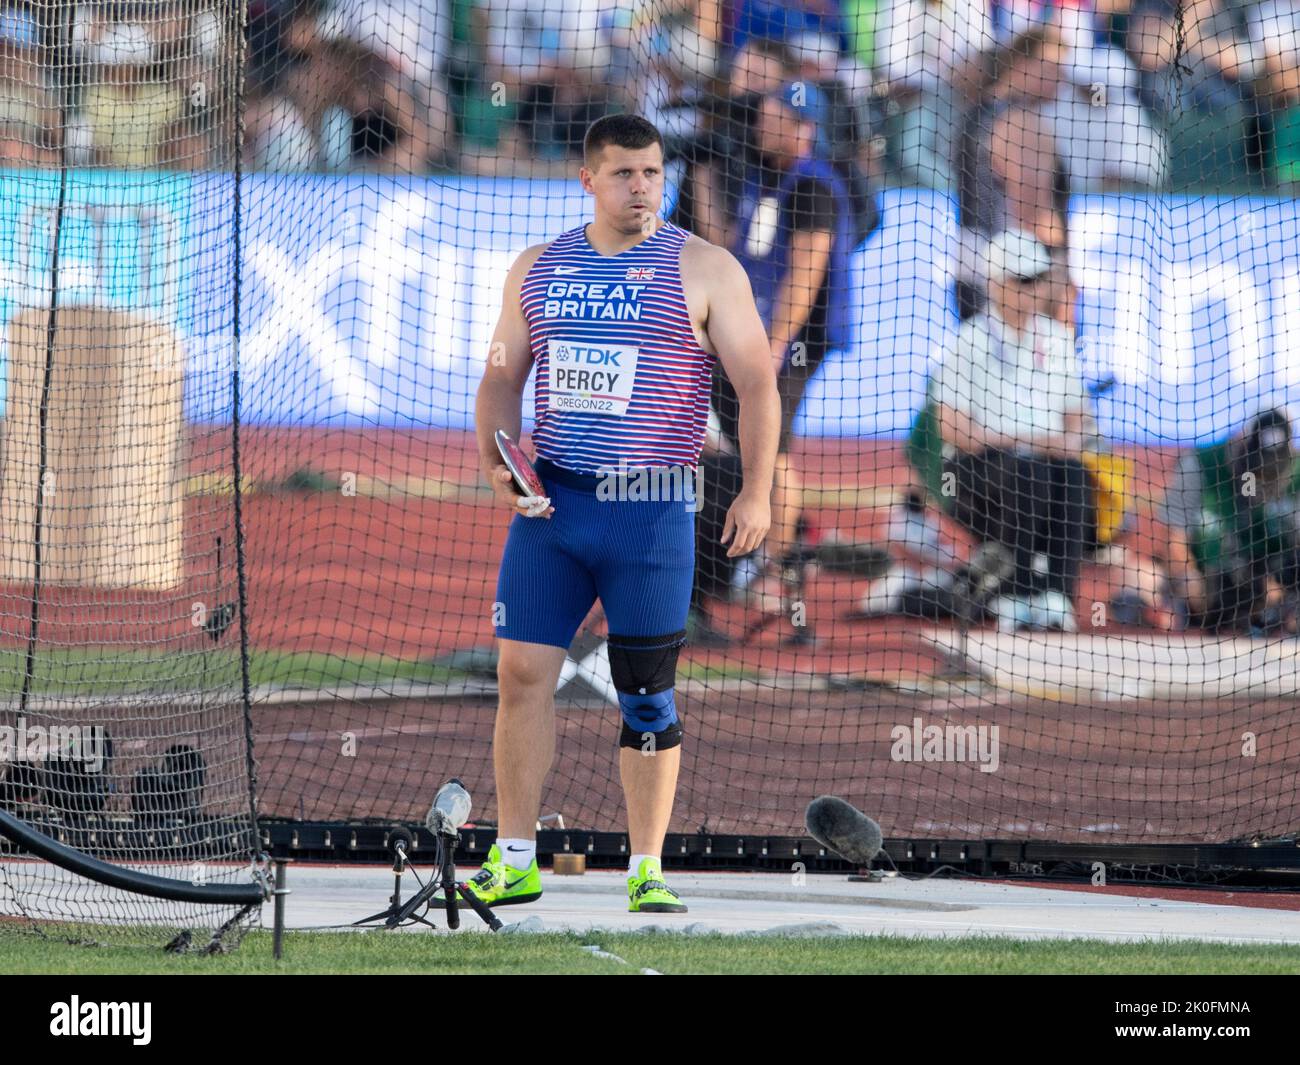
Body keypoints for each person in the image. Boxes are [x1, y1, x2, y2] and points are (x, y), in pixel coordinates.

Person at [472, 114, 781, 913]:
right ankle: (514, 856)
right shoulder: (538, 268)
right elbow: (503, 376)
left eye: (652, 172)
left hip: (651, 512)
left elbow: (756, 384)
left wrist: (756, 490)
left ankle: (647, 867)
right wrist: (497, 459)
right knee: (521, 673)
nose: (641, 186)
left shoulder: (703, 267)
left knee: (645, 692)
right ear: (588, 179)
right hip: (555, 508)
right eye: (624, 174)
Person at [711, 84, 854, 639]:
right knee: (752, 443)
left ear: (804, 127)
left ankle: (778, 564)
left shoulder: (812, 185)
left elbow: (805, 272)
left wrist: (773, 344)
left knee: (775, 447)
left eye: (775, 119)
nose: (762, 126)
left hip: (791, 342)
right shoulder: (765, 175)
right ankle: (771, 555)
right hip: (756, 336)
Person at [934, 227, 1093, 631]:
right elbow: (951, 428)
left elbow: (1078, 414)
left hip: (1042, 462)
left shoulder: (1057, 339)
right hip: (974, 472)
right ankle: (1014, 591)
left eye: (1037, 280)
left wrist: (1070, 442)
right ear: (996, 283)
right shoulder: (968, 341)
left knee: (1074, 473)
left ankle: (1057, 593)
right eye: (1022, 280)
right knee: (1028, 469)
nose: (1032, 290)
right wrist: (1027, 441)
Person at [1161, 408, 1300, 633]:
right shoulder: (1203, 463)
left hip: (1274, 579)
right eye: (1259, 463)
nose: (1264, 473)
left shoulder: (1297, 472)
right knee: (1153, 581)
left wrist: (1279, 591)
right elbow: (1173, 540)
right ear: (1242, 441)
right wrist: (1189, 580)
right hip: (1214, 581)